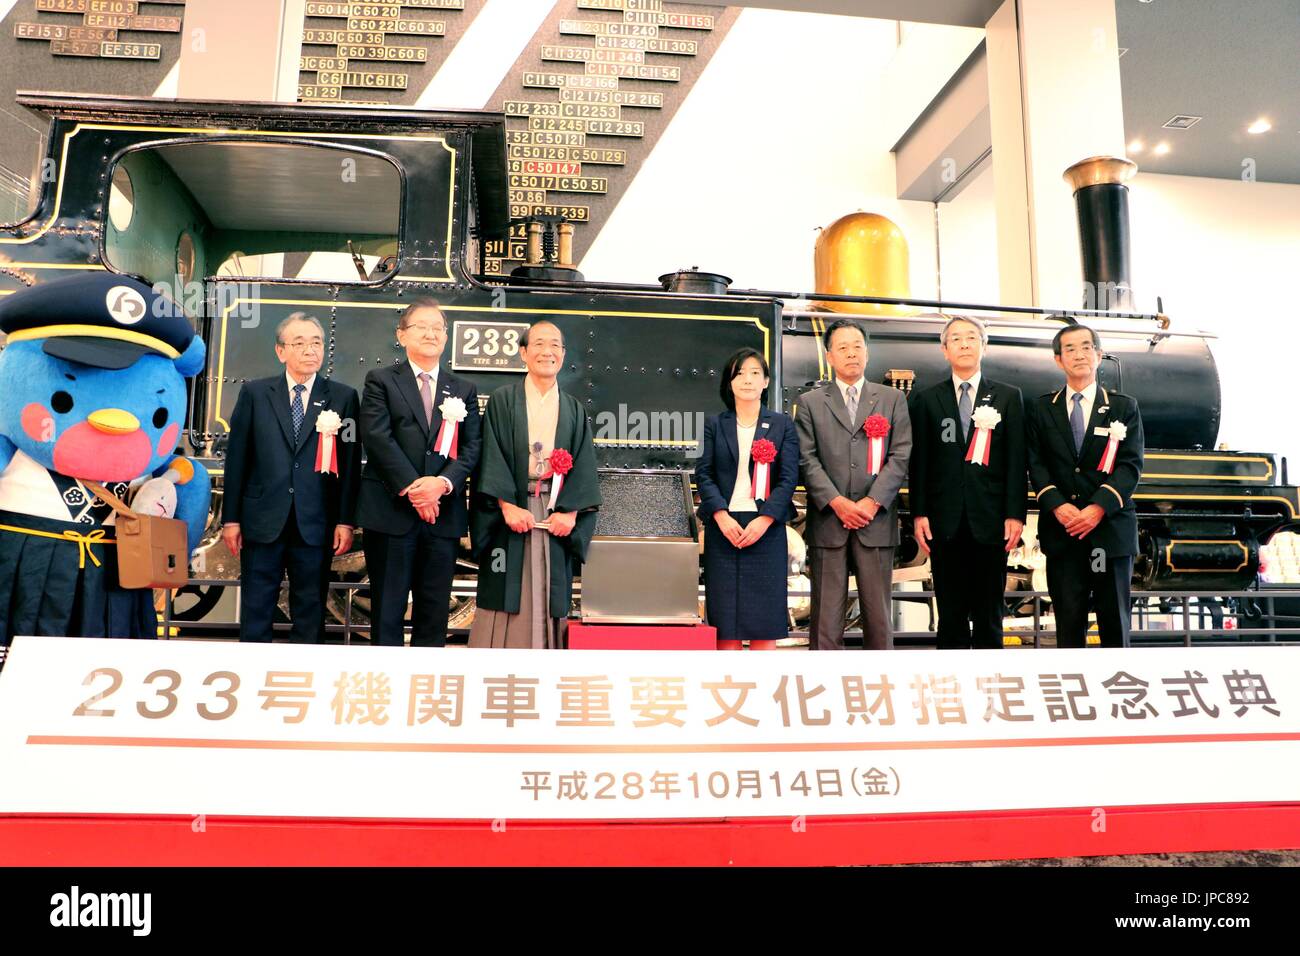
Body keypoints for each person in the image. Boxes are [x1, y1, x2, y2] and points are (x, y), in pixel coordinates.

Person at [223, 312, 361, 643]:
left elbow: (351, 463)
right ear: (281, 351)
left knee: (311, 606)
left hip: (316, 521)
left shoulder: (343, 397)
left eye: (316, 342)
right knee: (257, 605)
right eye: (299, 343)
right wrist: (231, 519)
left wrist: (345, 520)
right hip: (262, 518)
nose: (310, 350)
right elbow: (238, 460)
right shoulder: (255, 394)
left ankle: (306, 680)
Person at [469, 320, 601, 649]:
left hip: (554, 508)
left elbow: (583, 465)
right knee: (505, 585)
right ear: (524, 353)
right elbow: (491, 453)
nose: (548, 351)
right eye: (539, 344)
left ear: (563, 354)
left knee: (550, 586)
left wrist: (570, 513)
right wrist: (505, 504)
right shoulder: (502, 401)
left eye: (555, 345)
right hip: (510, 508)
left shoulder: (573, 408)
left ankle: (546, 663)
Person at [357, 298, 481, 647]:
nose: (431, 333)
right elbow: (377, 438)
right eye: (421, 326)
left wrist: (441, 485)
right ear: (402, 335)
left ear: (446, 337)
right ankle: (385, 691)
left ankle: (428, 691)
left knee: (434, 610)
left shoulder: (464, 390)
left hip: (442, 516)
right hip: (391, 513)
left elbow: (472, 447)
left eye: (437, 328)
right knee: (387, 608)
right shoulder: (381, 380)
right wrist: (415, 489)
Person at [909, 316, 1027, 649]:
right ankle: (952, 693)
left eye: (972, 337)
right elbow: (919, 463)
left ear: (983, 347)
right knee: (950, 613)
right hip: (943, 521)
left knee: (990, 613)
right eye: (956, 339)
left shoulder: (1007, 397)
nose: (964, 344)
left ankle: (993, 692)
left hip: (991, 521)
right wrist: (919, 513)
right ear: (944, 350)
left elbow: (1017, 461)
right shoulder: (926, 399)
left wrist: (1015, 514)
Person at [796, 318, 912, 650]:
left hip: (875, 520)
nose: (852, 354)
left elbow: (901, 454)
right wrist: (837, 502)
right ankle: (823, 688)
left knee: (878, 614)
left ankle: (880, 688)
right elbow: (807, 458)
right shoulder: (810, 403)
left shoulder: (891, 399)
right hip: (829, 521)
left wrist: (871, 502)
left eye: (857, 346)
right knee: (825, 616)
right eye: (843, 348)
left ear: (867, 353)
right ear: (829, 356)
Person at [1027, 324, 1144, 647]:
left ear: (1099, 355)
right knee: (1068, 623)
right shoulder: (1041, 409)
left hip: (1111, 530)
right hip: (1063, 532)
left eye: (1085, 347)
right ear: (1058, 359)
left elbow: (1130, 464)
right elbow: (1035, 464)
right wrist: (1058, 506)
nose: (1079, 354)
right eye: (1069, 349)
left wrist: (1096, 508)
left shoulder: (1124, 407)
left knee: (1115, 623)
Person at [695, 348, 800, 650]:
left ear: (766, 381)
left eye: (755, 373)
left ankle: (761, 692)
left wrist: (765, 519)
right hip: (724, 527)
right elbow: (704, 474)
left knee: (763, 622)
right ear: (729, 382)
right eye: (740, 373)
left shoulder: (782, 425)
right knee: (725, 621)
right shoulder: (714, 424)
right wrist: (721, 516)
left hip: (765, 529)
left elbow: (788, 478)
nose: (747, 379)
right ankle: (728, 691)